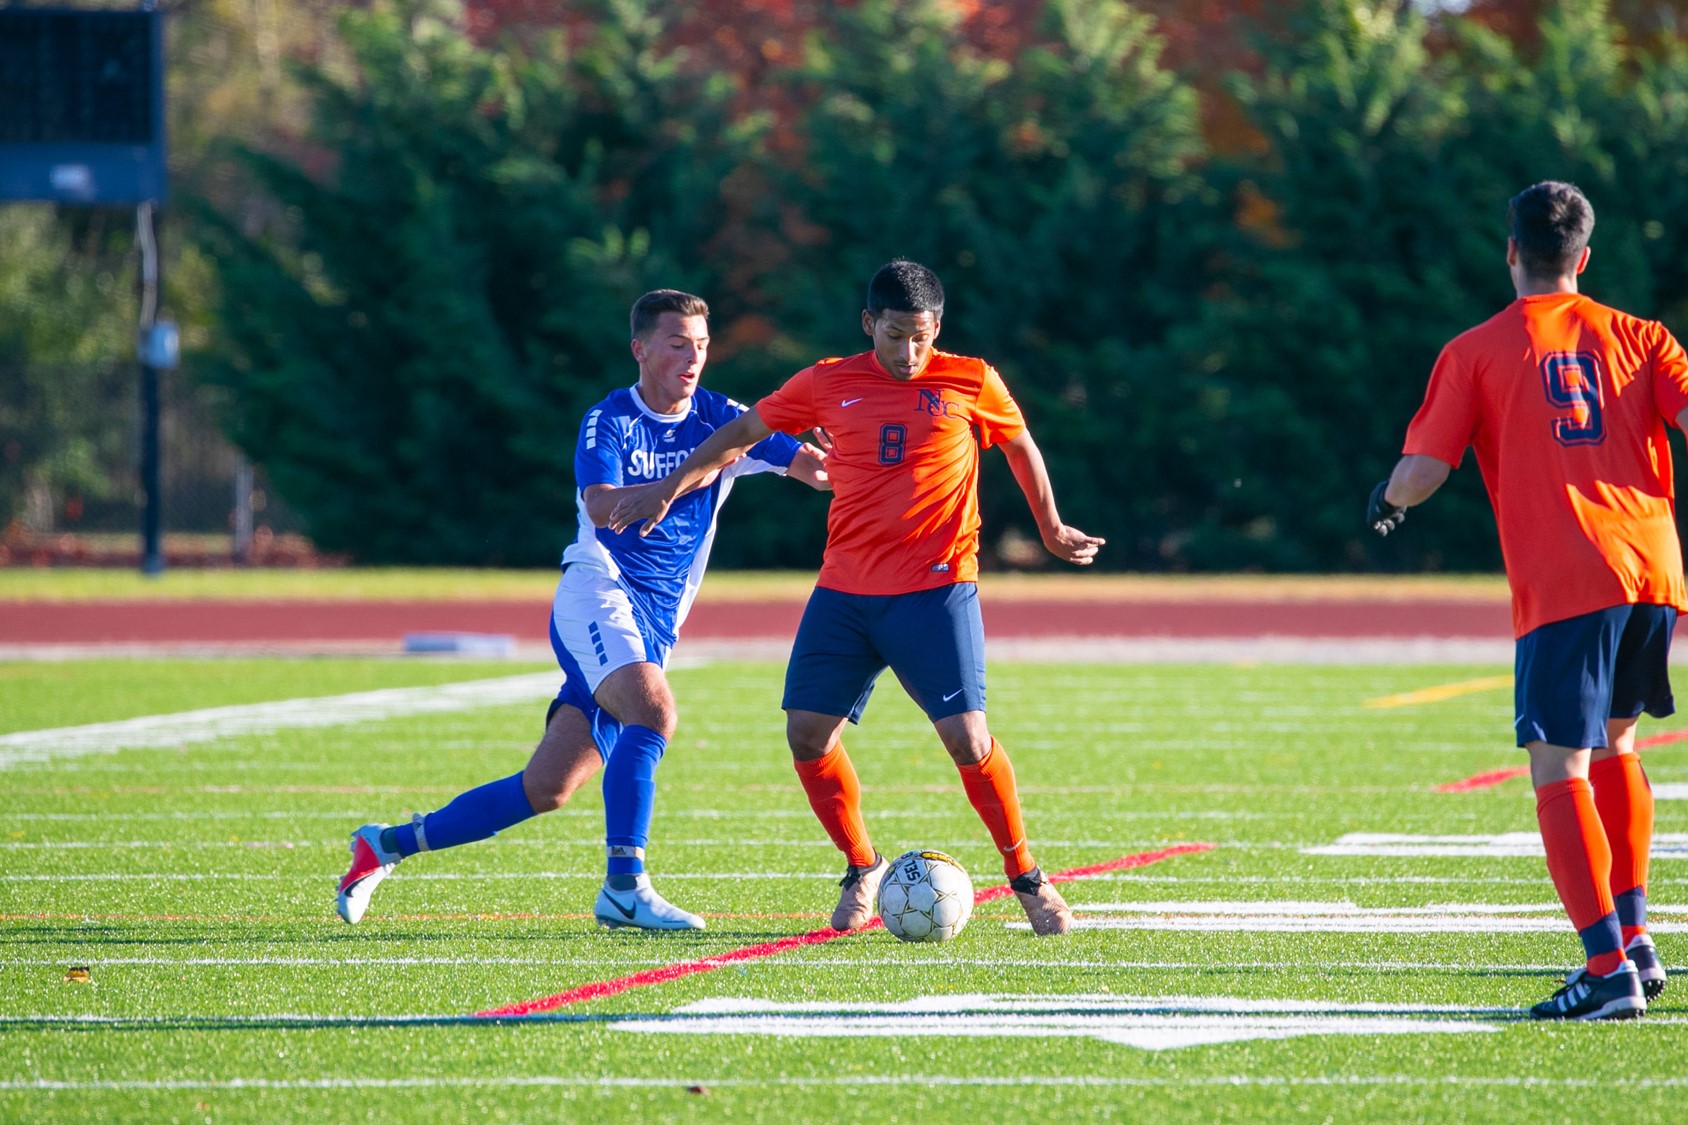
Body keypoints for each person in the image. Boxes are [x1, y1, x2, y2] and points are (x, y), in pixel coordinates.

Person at [611, 259, 1104, 936]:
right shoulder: (828, 382)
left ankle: (1027, 876)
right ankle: (861, 864)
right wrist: (671, 485)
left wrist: (1049, 527)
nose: (908, 353)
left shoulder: (971, 379)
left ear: (937, 330)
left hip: (936, 590)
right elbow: (741, 431)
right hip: (844, 592)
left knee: (967, 739)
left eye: (921, 338)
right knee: (806, 735)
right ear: (870, 324)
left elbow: (1019, 443)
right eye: (896, 335)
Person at [336, 289, 830, 929]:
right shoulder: (611, 420)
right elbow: (603, 508)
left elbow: (817, 471)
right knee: (654, 711)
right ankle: (625, 887)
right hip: (598, 593)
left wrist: (842, 454)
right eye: (678, 343)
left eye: (702, 346)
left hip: (655, 624)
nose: (692, 358)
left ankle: (387, 844)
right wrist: (695, 473)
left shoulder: (720, 416)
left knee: (547, 788)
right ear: (641, 349)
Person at [1368, 181, 1685, 1020]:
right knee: (1617, 745)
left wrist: (1389, 498)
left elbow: (1425, 471)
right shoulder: (1645, 336)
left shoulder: (1477, 348)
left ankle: (1607, 966)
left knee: (1558, 764)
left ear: (1511, 251)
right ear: (1584, 258)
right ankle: (1637, 934)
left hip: (1568, 578)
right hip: (1652, 569)